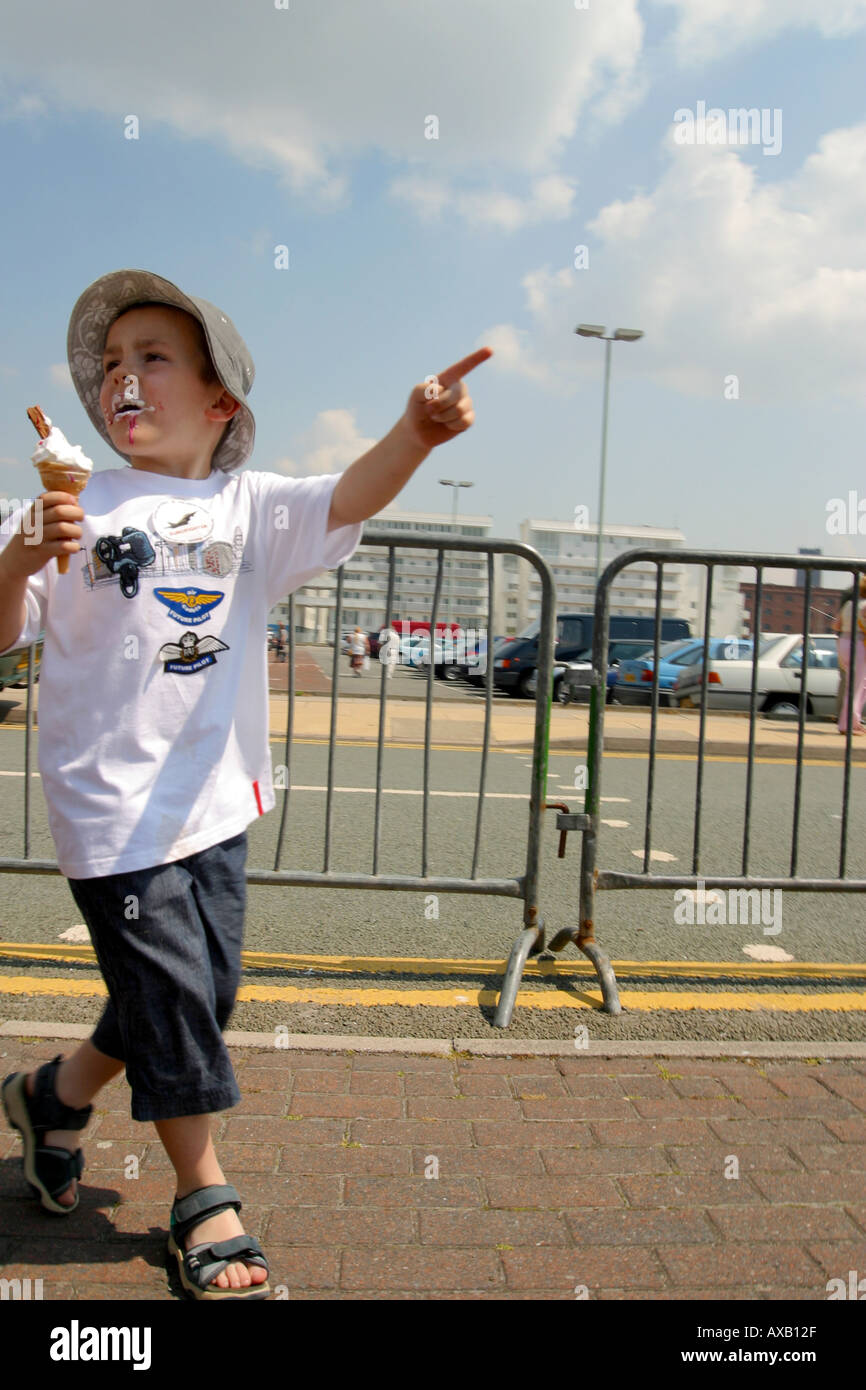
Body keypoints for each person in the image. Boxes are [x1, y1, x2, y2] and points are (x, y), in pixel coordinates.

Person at [0, 267, 491, 1299]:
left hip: (219, 801)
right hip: (111, 810)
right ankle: (204, 1194)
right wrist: (12, 564)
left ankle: (54, 1094)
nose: (120, 378)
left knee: (197, 992)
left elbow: (346, 493)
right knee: (177, 999)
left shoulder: (250, 505)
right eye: (110, 364)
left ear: (220, 400)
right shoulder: (57, 507)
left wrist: (415, 432)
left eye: (152, 357)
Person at [833, 576, 866, 734]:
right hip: (859, 643)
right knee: (857, 687)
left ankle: (853, 721)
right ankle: (848, 724)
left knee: (851, 685)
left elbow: (836, 625)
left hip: (844, 642)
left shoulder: (848, 604)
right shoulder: (865, 606)